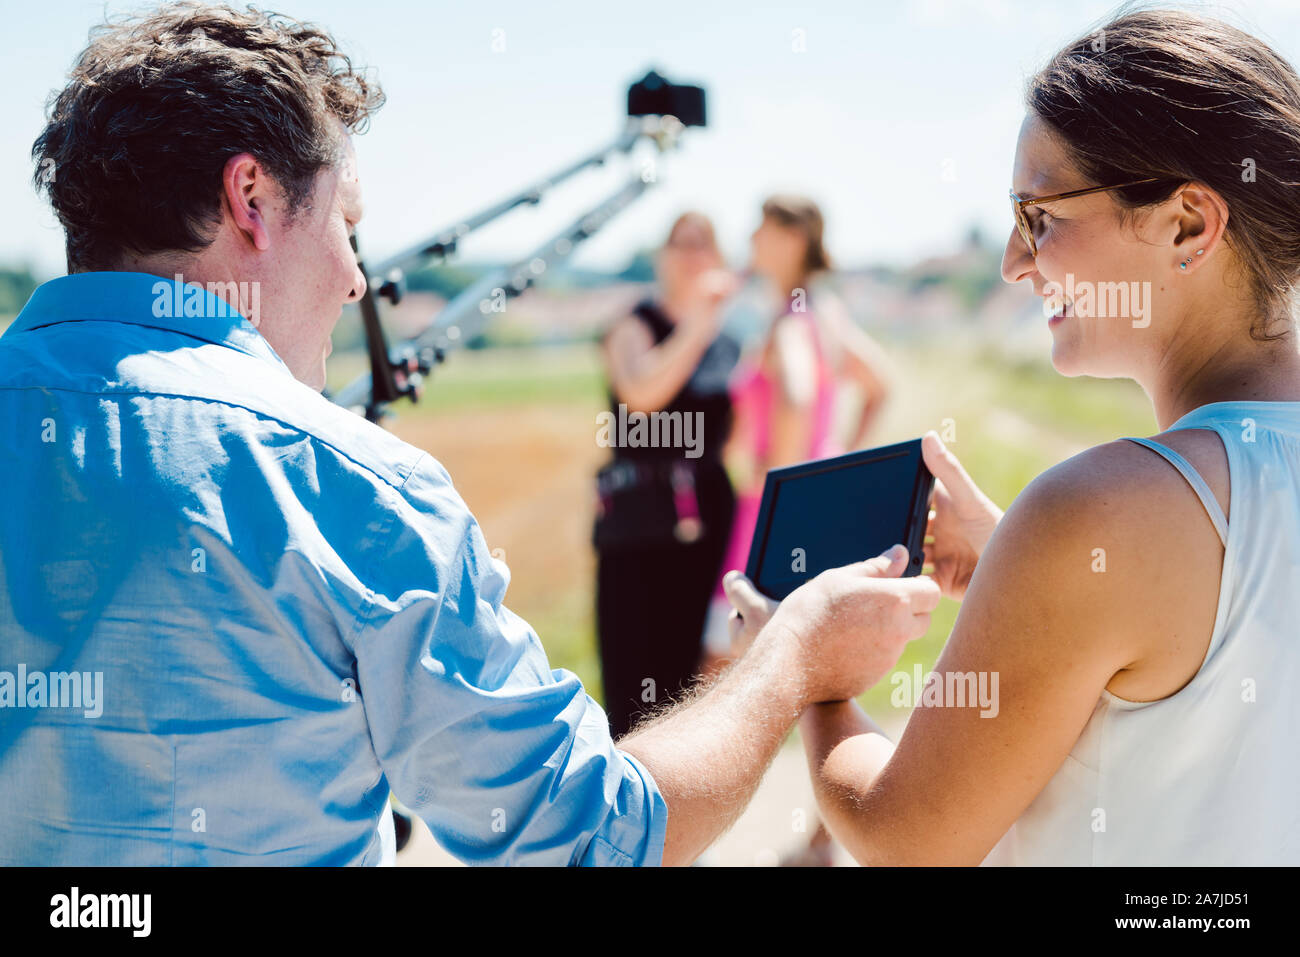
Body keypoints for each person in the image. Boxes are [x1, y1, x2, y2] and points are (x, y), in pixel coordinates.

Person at [0, 1, 942, 867]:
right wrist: (789, 660)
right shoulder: (346, 485)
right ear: (251, 198)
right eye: (349, 226)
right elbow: (596, 837)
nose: (356, 280)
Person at [728, 8, 1300, 865]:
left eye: (1038, 214)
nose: (1012, 260)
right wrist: (1017, 569)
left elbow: (904, 837)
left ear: (1188, 223)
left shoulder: (1098, 507)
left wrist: (808, 662)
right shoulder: (1141, 520)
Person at [594, 213, 739, 739]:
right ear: (662, 256)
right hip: (640, 520)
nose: (694, 256)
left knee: (694, 670)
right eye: (682, 244)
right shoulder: (633, 324)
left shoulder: (729, 340)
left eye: (706, 244)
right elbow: (643, 396)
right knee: (634, 671)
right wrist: (697, 324)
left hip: (709, 514)